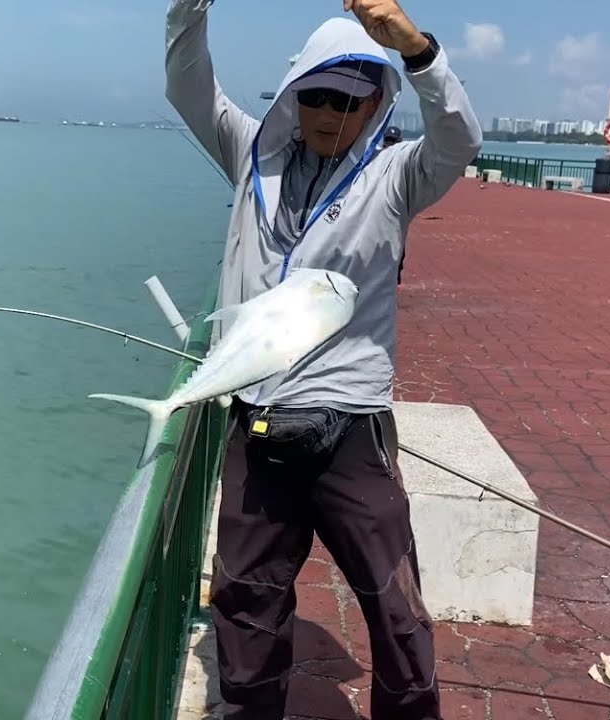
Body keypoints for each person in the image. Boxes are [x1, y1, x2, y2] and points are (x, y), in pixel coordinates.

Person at [165, 1, 482, 719]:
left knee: (396, 605)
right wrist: (189, 8)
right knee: (245, 598)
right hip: (259, 422)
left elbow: (459, 140)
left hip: (352, 428)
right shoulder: (252, 158)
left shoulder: (399, 177)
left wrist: (417, 51)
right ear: (293, 95)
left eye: (349, 99)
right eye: (316, 96)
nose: (330, 114)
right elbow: (187, 84)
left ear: (376, 102)